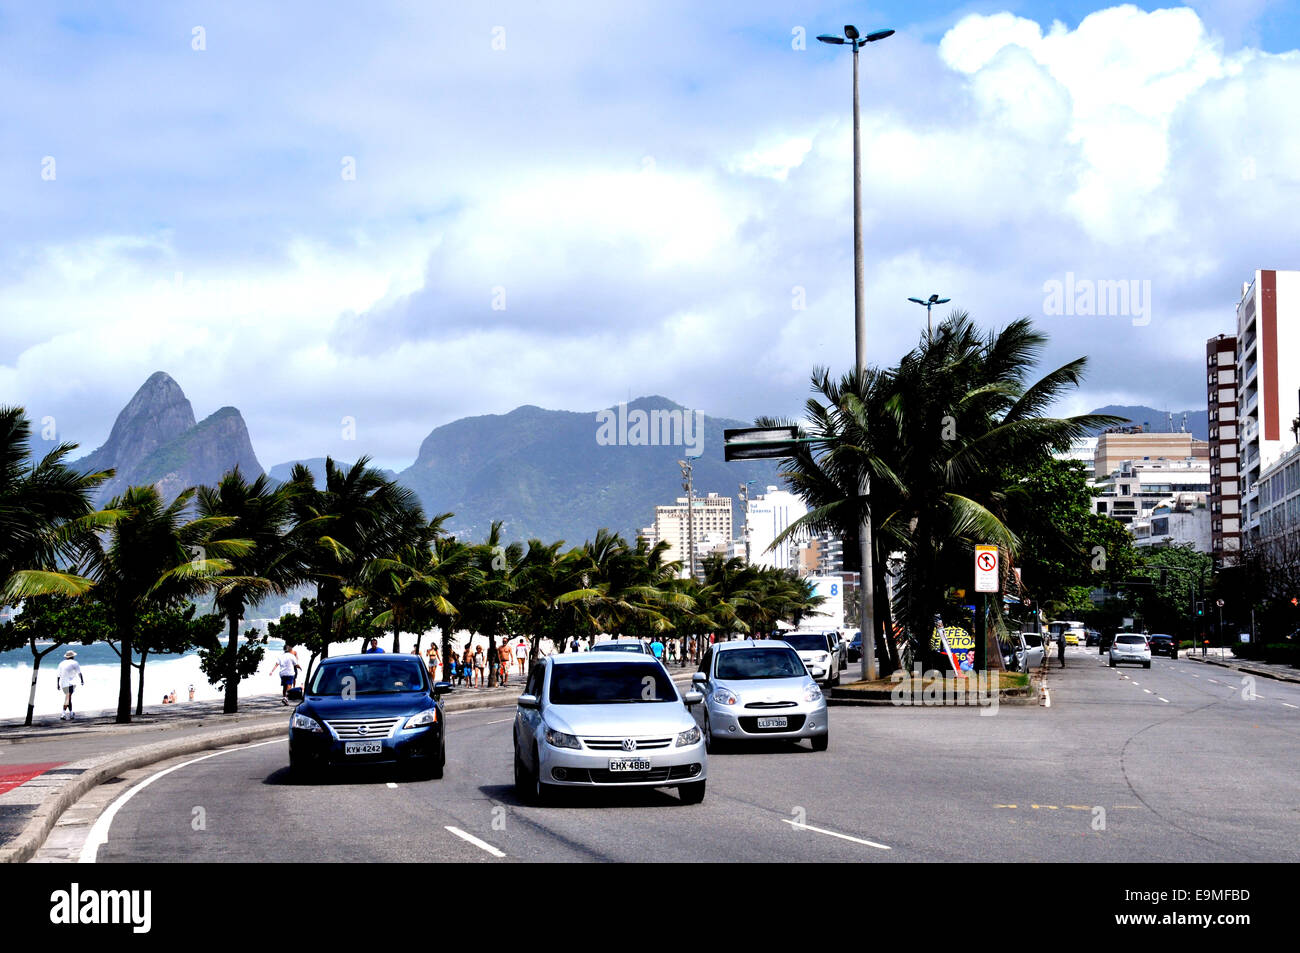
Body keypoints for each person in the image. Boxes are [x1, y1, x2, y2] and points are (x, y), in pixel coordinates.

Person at [56, 649, 84, 721]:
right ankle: (63, 713)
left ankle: (71, 713)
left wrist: (58, 684)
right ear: (73, 656)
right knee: (68, 698)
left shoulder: (61, 663)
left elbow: (58, 675)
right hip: (71, 683)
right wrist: (82, 680)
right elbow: (79, 673)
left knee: (68, 698)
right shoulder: (75, 663)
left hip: (63, 683)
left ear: (66, 657)